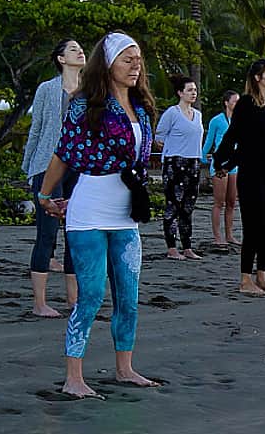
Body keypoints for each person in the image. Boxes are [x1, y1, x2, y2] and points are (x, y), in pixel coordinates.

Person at [37, 31, 159, 399]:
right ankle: (73, 377)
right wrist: (45, 195)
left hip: (127, 214)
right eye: (127, 59)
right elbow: (63, 153)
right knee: (89, 297)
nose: (135, 66)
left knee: (128, 298)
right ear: (107, 64)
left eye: (138, 60)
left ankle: (125, 368)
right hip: (89, 211)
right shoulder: (85, 105)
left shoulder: (140, 107)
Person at [20, 39, 84, 316]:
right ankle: (40, 303)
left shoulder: (90, 90)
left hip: (79, 167)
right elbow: (37, 129)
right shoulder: (47, 89)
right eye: (73, 49)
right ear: (61, 58)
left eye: (81, 49)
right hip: (47, 166)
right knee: (46, 233)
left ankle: (73, 299)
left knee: (75, 235)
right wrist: (29, 168)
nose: (80, 52)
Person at [215, 60, 265, 296]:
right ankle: (245, 279)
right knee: (253, 225)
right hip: (251, 174)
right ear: (257, 77)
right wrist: (221, 162)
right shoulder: (245, 104)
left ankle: (262, 274)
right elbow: (235, 137)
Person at [154, 76, 204, 260]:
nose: (193, 93)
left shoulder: (197, 115)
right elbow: (159, 137)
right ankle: (172, 247)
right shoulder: (172, 113)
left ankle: (187, 246)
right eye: (189, 90)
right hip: (175, 163)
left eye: (195, 90)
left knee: (188, 207)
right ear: (180, 93)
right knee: (173, 205)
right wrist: (171, 151)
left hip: (194, 162)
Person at [202, 89, 240, 246]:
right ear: (226, 103)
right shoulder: (217, 121)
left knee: (232, 202)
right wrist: (202, 157)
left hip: (234, 165)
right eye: (235, 101)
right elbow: (209, 141)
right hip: (219, 164)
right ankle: (218, 236)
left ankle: (230, 235)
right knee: (219, 202)